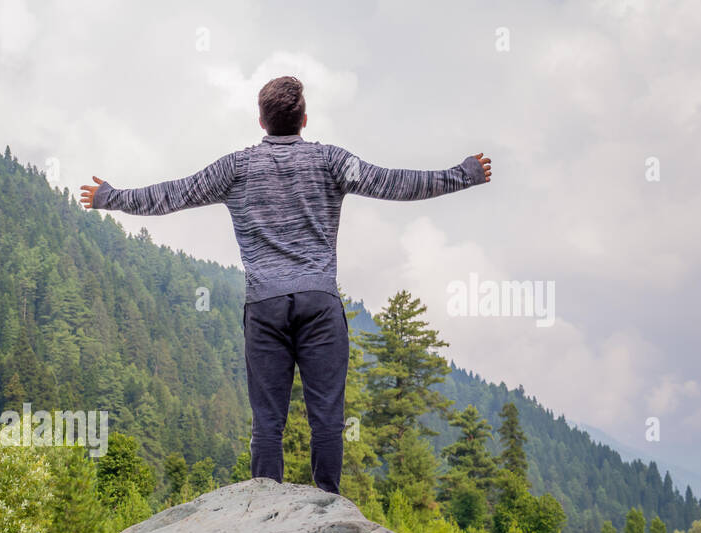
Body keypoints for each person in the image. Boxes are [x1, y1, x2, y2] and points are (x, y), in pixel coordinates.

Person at [80, 76, 491, 495]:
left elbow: (173, 194)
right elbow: (396, 183)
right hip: (319, 302)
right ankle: (329, 503)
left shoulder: (235, 168)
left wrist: (108, 197)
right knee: (327, 416)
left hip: (265, 306)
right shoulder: (330, 161)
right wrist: (465, 174)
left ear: (261, 121)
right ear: (304, 120)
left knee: (268, 420)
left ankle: (263, 511)